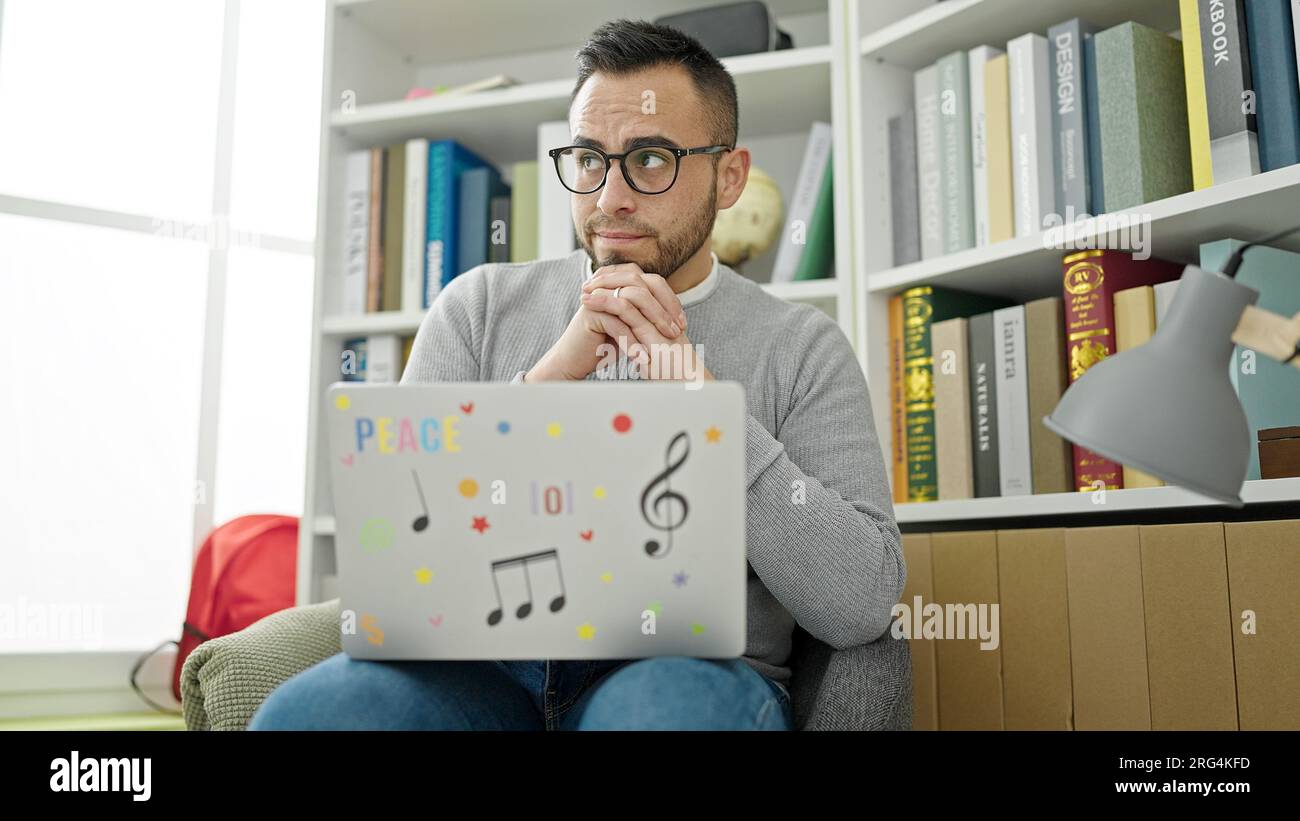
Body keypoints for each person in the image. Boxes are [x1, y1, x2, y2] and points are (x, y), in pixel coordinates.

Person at [250, 18, 902, 732]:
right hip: (482, 672)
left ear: (729, 177)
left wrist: (708, 415)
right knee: (307, 715)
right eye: (590, 159)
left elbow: (861, 598)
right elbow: (403, 562)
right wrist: (548, 382)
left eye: (650, 159)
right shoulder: (478, 308)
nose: (610, 198)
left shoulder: (803, 347)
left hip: (688, 673)